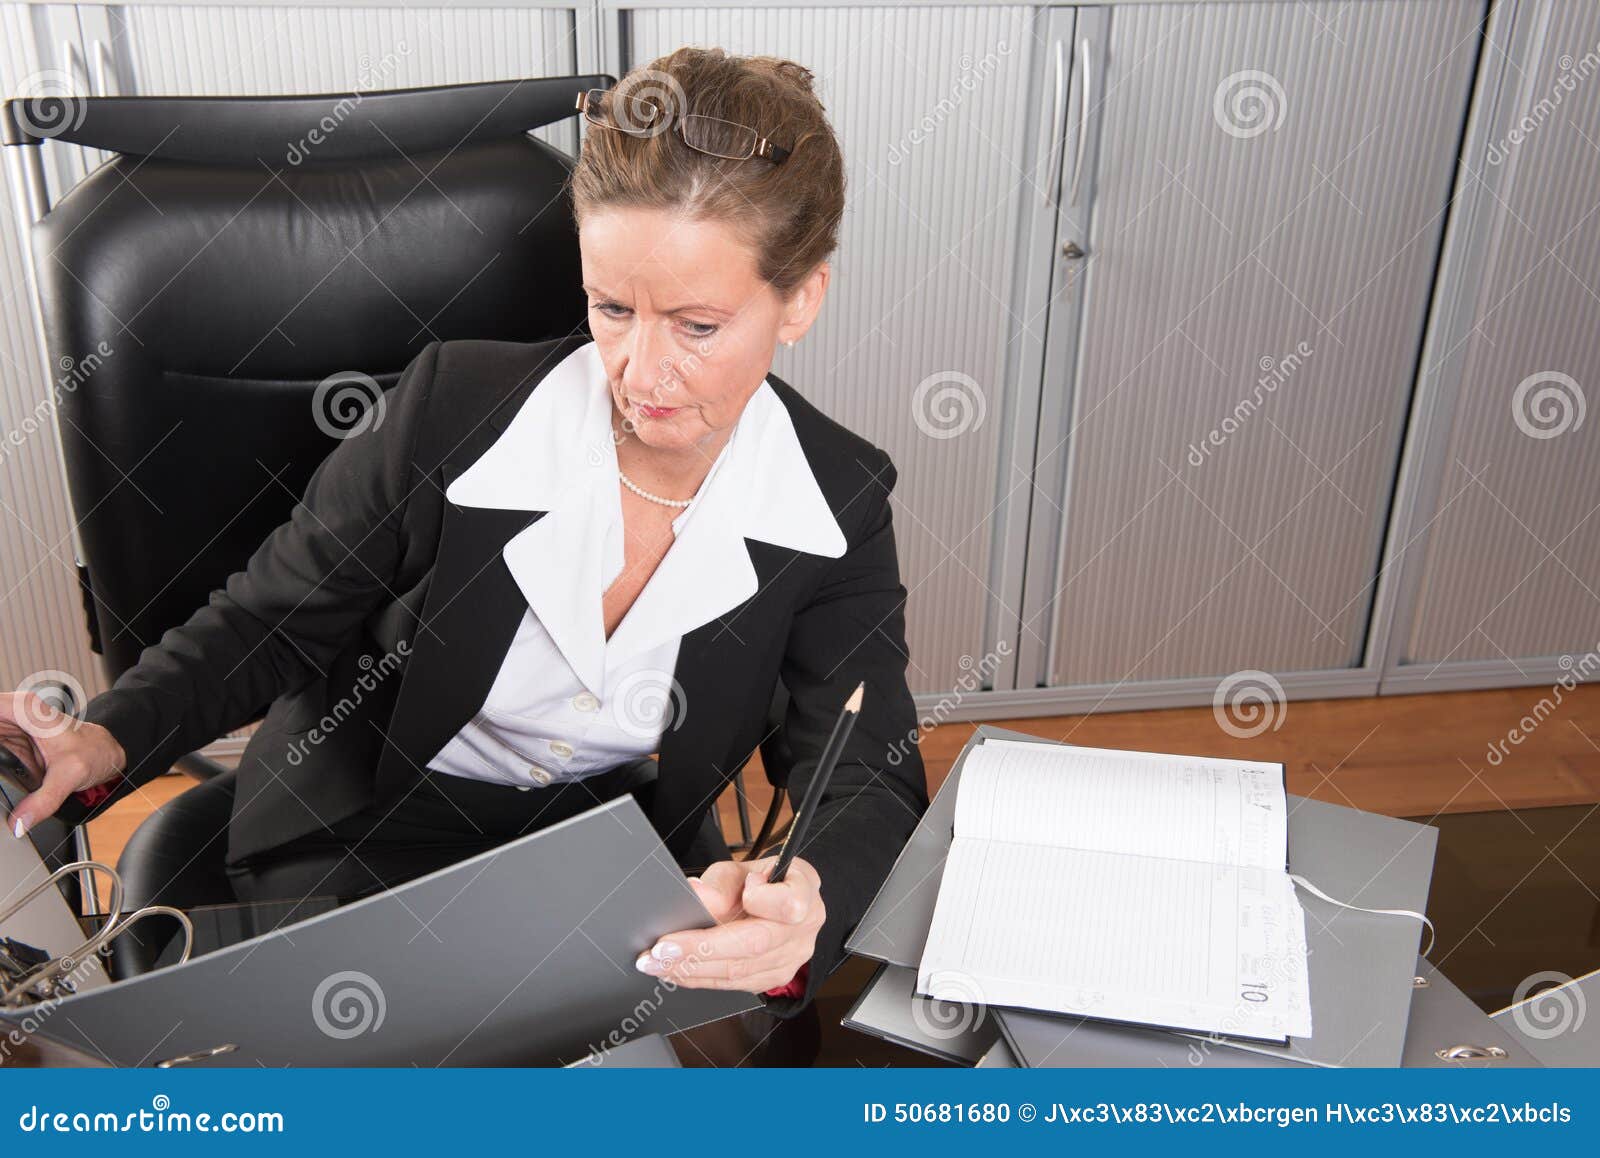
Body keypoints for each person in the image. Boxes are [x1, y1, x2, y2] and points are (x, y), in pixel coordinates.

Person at [0, 46, 927, 1015]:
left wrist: (807, 899)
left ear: (801, 299)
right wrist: (103, 739)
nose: (642, 373)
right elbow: (269, 623)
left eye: (696, 325)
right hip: (367, 826)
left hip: (606, 845)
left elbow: (865, 766)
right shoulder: (453, 409)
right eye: (612, 308)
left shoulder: (836, 496)